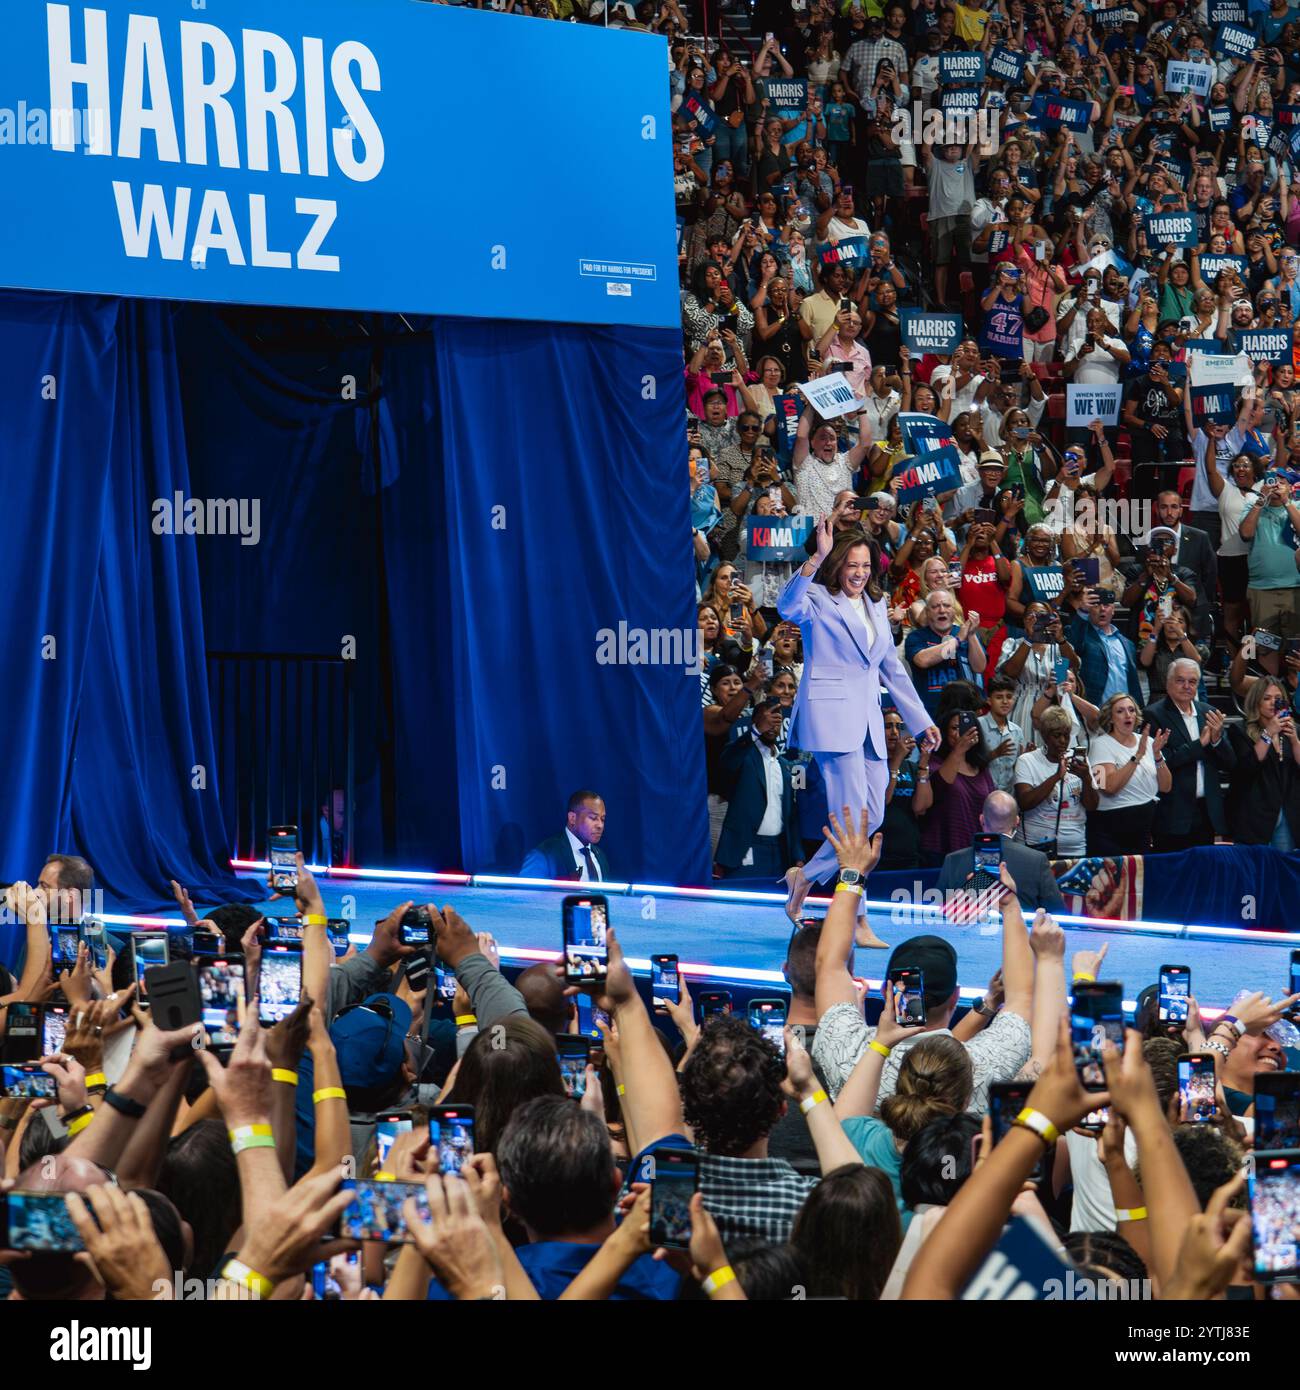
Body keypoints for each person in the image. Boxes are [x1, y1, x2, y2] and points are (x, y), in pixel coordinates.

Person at [809, 808, 1033, 1114]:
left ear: (887, 992)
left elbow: (829, 966)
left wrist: (851, 874)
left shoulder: (849, 1053)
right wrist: (1009, 905)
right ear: (955, 998)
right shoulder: (983, 1066)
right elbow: (1021, 997)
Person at [777, 521, 939, 930]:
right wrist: (815, 559)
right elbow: (787, 607)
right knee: (852, 823)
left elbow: (891, 668)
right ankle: (856, 917)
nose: (860, 573)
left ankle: (805, 876)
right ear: (837, 565)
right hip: (831, 719)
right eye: (852, 565)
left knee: (872, 817)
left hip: (868, 721)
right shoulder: (817, 597)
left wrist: (921, 721)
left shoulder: (875, 605)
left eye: (866, 565)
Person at [1143, 659, 1236, 852]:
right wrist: (1199, 744)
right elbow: (1163, 762)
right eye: (1180, 680)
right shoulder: (1153, 715)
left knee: (1203, 868)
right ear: (1168, 683)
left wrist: (1217, 740)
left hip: (1206, 811)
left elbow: (1230, 763)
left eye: (1192, 681)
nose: (1187, 686)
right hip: (1172, 814)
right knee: (1173, 868)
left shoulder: (1209, 712)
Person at [934, 790, 1068, 910]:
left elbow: (935, 914)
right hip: (1020, 929)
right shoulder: (1037, 860)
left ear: (982, 819)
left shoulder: (953, 860)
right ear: (1016, 821)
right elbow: (1058, 913)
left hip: (967, 929)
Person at [714, 698, 802, 878]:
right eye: (766, 719)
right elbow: (727, 762)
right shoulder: (743, 756)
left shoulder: (785, 765)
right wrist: (755, 731)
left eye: (776, 721)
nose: (771, 725)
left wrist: (798, 855)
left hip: (780, 852)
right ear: (755, 722)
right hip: (746, 848)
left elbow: (791, 814)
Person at [1086, 694, 1172, 856]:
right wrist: (1137, 757)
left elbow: (1166, 786)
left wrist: (1157, 755)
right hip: (1112, 829)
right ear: (1111, 718)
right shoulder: (1099, 745)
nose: (1128, 715)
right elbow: (1108, 787)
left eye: (1131, 710)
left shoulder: (1147, 741)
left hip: (1145, 827)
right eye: (1120, 711)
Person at [1224, 677, 1300, 850]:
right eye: (1267, 698)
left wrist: (1295, 741)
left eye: (1278, 698)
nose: (1273, 703)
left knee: (1282, 863)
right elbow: (1246, 768)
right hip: (1254, 813)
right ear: (1256, 702)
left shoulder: (1294, 729)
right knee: (1254, 864)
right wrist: (1268, 733)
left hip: (1287, 812)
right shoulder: (1240, 730)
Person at [1012, 706, 1097, 858]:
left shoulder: (1079, 761)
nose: (1063, 741)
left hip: (1075, 849)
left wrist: (1086, 777)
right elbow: (1024, 802)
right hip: (1034, 849)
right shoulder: (1027, 761)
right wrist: (1057, 776)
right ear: (1045, 735)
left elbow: (1092, 806)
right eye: (1057, 735)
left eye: (1066, 735)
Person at [520, 790, 611, 882]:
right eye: (593, 818)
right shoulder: (544, 856)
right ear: (572, 818)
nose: (600, 825)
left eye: (602, 819)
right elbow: (525, 891)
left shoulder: (600, 856)